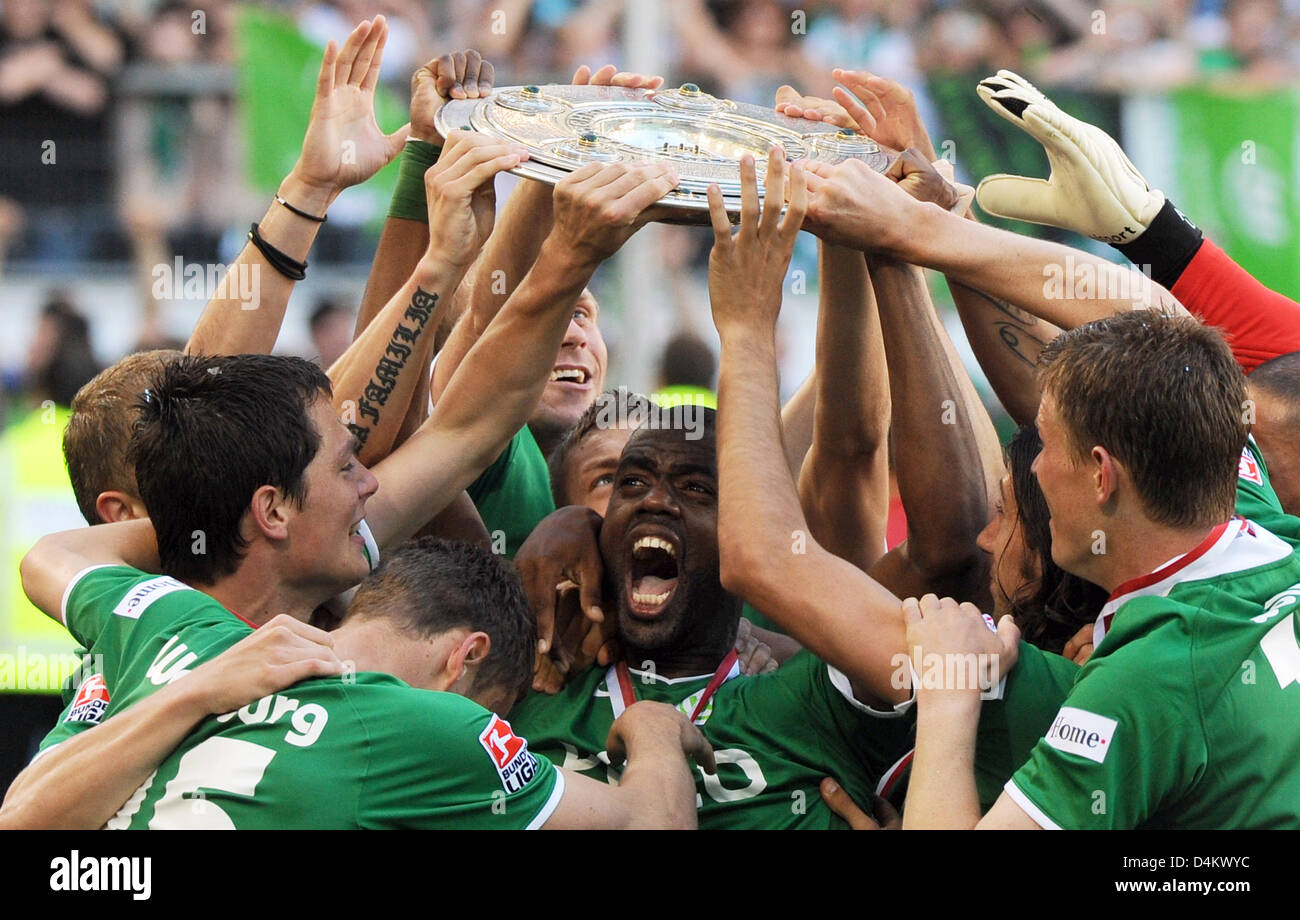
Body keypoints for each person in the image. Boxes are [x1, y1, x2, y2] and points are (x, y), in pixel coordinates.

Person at [6, 535, 713, 830]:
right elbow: (652, 824)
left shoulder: (188, 629)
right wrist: (652, 730)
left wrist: (198, 688)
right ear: (464, 659)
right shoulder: (437, 729)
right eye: (496, 709)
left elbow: (52, 554)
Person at [901, 311, 1300, 829]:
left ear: (1100, 475)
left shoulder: (1150, 679)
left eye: (1043, 443)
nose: (1034, 466)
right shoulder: (1262, 518)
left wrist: (947, 692)